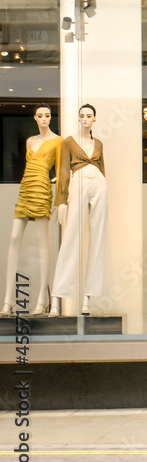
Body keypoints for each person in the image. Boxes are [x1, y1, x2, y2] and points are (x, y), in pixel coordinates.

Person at [3, 104, 61, 318]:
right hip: (26, 188)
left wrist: (62, 200)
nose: (44, 118)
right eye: (40, 115)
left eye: (47, 115)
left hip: (42, 190)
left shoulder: (58, 141)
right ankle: (8, 300)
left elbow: (62, 171)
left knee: (42, 243)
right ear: (35, 118)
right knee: (14, 237)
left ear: (50, 117)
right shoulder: (30, 141)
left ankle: (42, 300)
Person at [51, 104, 107, 317]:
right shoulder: (68, 142)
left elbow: (103, 169)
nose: (85, 119)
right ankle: (57, 297)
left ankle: (88, 299)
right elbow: (63, 170)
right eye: (82, 115)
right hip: (79, 182)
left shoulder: (99, 144)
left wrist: (103, 184)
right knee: (70, 238)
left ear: (94, 119)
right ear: (78, 118)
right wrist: (62, 200)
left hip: (99, 184)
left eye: (89, 116)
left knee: (98, 239)